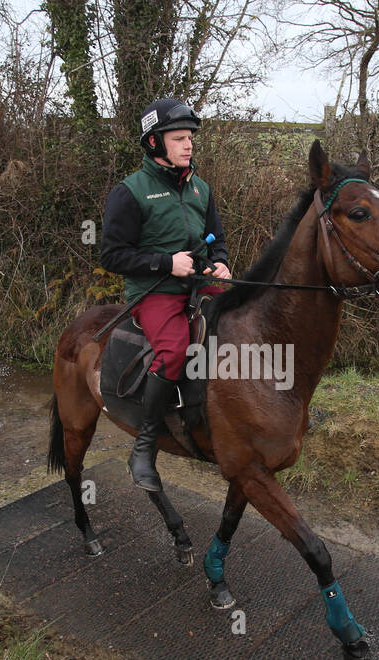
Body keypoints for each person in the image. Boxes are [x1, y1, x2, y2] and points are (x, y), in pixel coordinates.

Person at [100, 98, 231, 492]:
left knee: (246, 316)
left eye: (190, 137)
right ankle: (144, 447)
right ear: (155, 143)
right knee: (174, 352)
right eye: (179, 138)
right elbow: (111, 254)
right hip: (154, 289)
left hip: (197, 282)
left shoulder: (199, 188)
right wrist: (165, 264)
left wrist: (219, 263)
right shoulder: (130, 192)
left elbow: (217, 239)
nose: (188, 144)